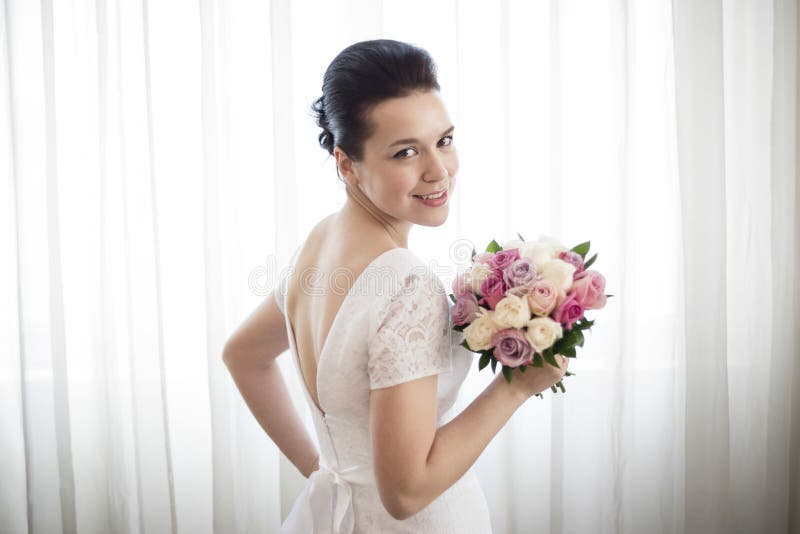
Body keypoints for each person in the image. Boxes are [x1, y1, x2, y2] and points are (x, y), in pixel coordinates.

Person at [222, 38, 569, 533]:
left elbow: (242, 355)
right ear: (346, 163)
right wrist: (516, 388)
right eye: (406, 151)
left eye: (444, 141)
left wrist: (327, 474)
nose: (437, 171)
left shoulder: (320, 241)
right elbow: (406, 492)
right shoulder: (406, 285)